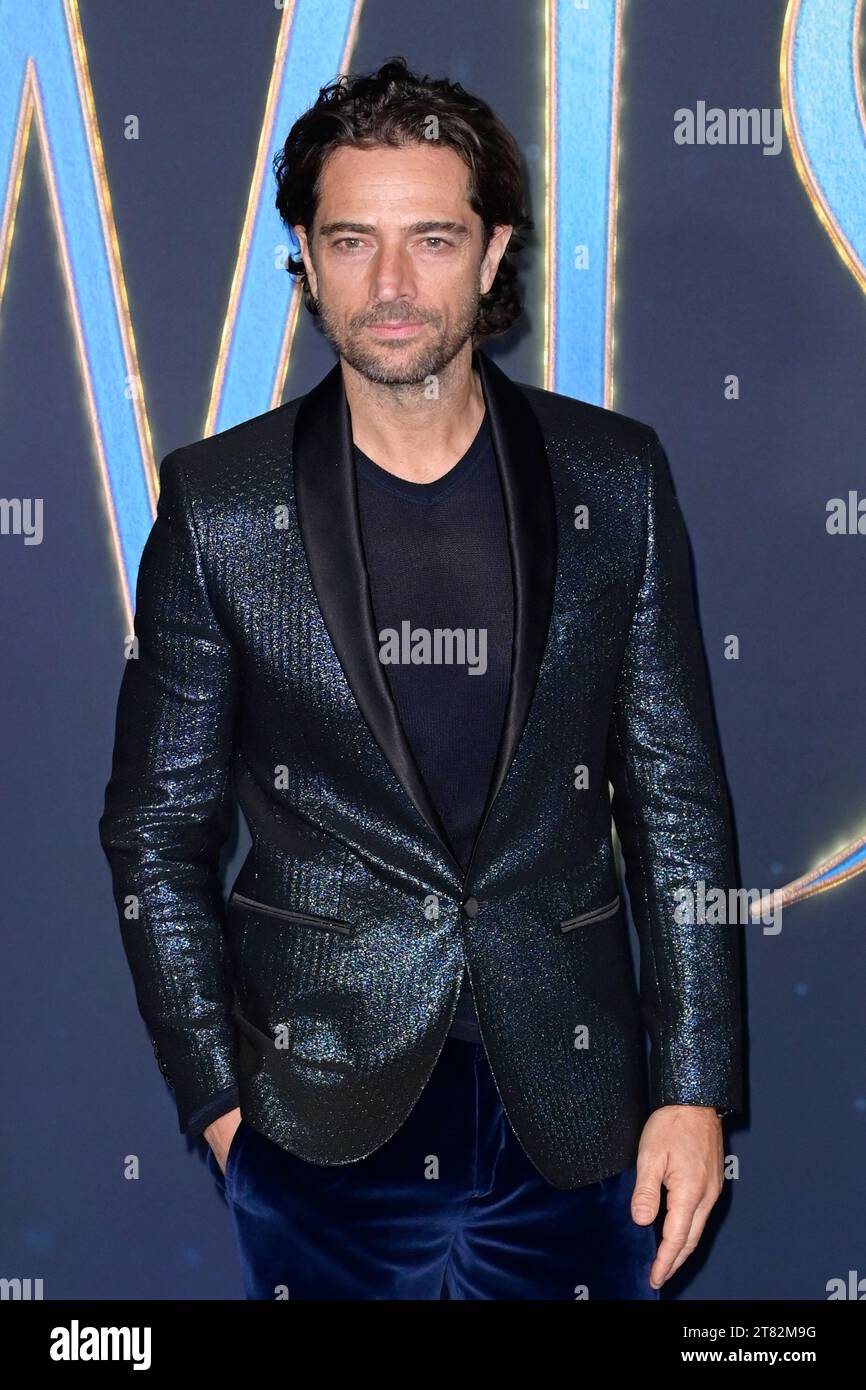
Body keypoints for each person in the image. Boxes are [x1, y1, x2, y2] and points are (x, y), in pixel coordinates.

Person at [99, 57, 744, 1300]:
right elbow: (154, 833)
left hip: (576, 1108)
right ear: (304, 252)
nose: (390, 286)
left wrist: (696, 1083)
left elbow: (677, 804)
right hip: (319, 1112)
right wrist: (225, 1116)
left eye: (431, 239)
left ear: (493, 251)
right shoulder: (219, 507)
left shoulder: (612, 480)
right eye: (352, 240)